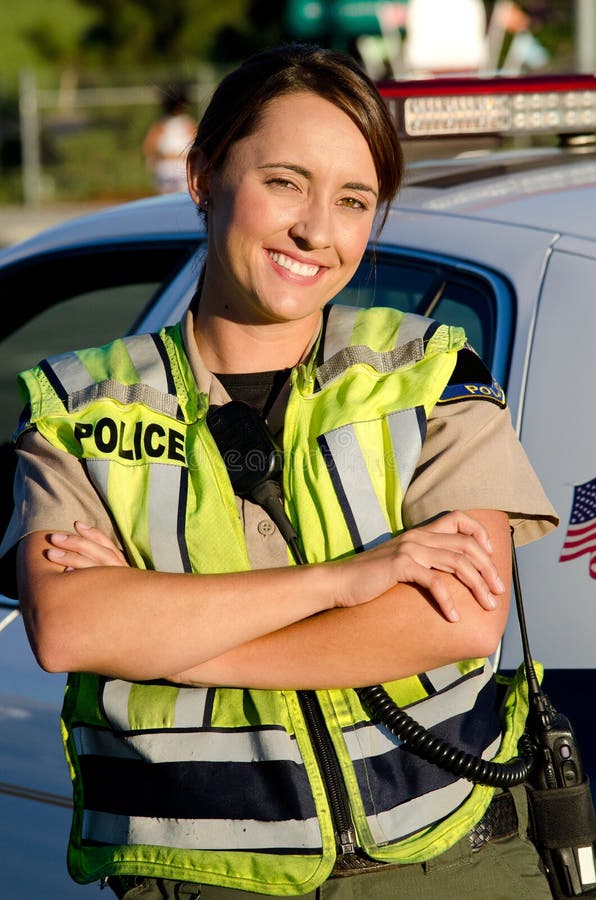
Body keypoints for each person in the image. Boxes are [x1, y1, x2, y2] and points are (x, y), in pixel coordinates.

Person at [1, 43, 559, 900]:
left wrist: (174, 648)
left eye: (353, 201)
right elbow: (75, 629)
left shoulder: (433, 371)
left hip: (458, 865)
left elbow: (454, 623)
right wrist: (345, 581)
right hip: (205, 881)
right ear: (202, 175)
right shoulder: (79, 408)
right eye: (285, 182)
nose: (316, 230)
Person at [142, 85, 197, 194]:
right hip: (168, 169)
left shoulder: (186, 124)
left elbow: (148, 146)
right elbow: (148, 146)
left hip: (180, 169)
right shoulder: (162, 125)